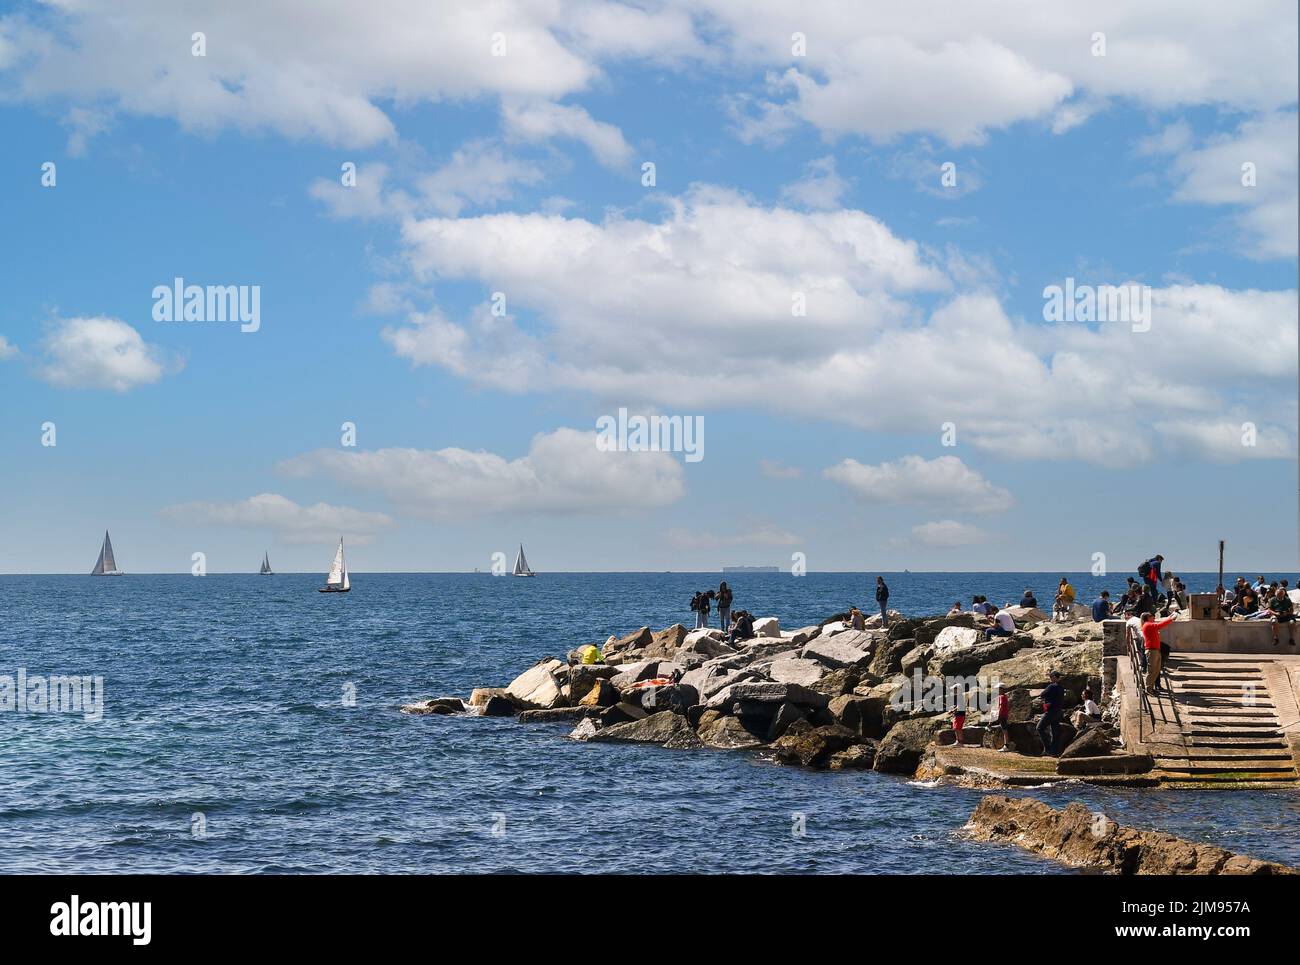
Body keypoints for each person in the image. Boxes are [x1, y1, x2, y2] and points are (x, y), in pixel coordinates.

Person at [1141, 611, 1176, 695]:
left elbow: (1159, 624)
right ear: (1148, 618)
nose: (1153, 617)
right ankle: (1149, 688)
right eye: (1151, 616)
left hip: (1155, 650)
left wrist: (1169, 617)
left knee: (1156, 670)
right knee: (1152, 670)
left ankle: (1151, 688)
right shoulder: (1148, 625)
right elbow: (1159, 625)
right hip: (1152, 650)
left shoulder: (1149, 625)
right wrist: (1171, 619)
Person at [1036, 671, 1065, 756]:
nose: (1050, 679)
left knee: (1039, 728)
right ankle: (1054, 751)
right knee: (1055, 732)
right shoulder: (1061, 688)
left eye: (1051, 677)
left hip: (1051, 711)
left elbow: (1042, 694)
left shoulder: (1051, 686)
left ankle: (1047, 748)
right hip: (1059, 711)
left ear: (1054, 677)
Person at [991, 684, 1012, 752]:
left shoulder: (1002, 697)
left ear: (1001, 689)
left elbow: (1001, 707)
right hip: (1004, 715)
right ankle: (1006, 745)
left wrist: (998, 715)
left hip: (1002, 715)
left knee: (1004, 730)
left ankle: (1006, 745)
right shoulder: (1004, 696)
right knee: (1004, 729)